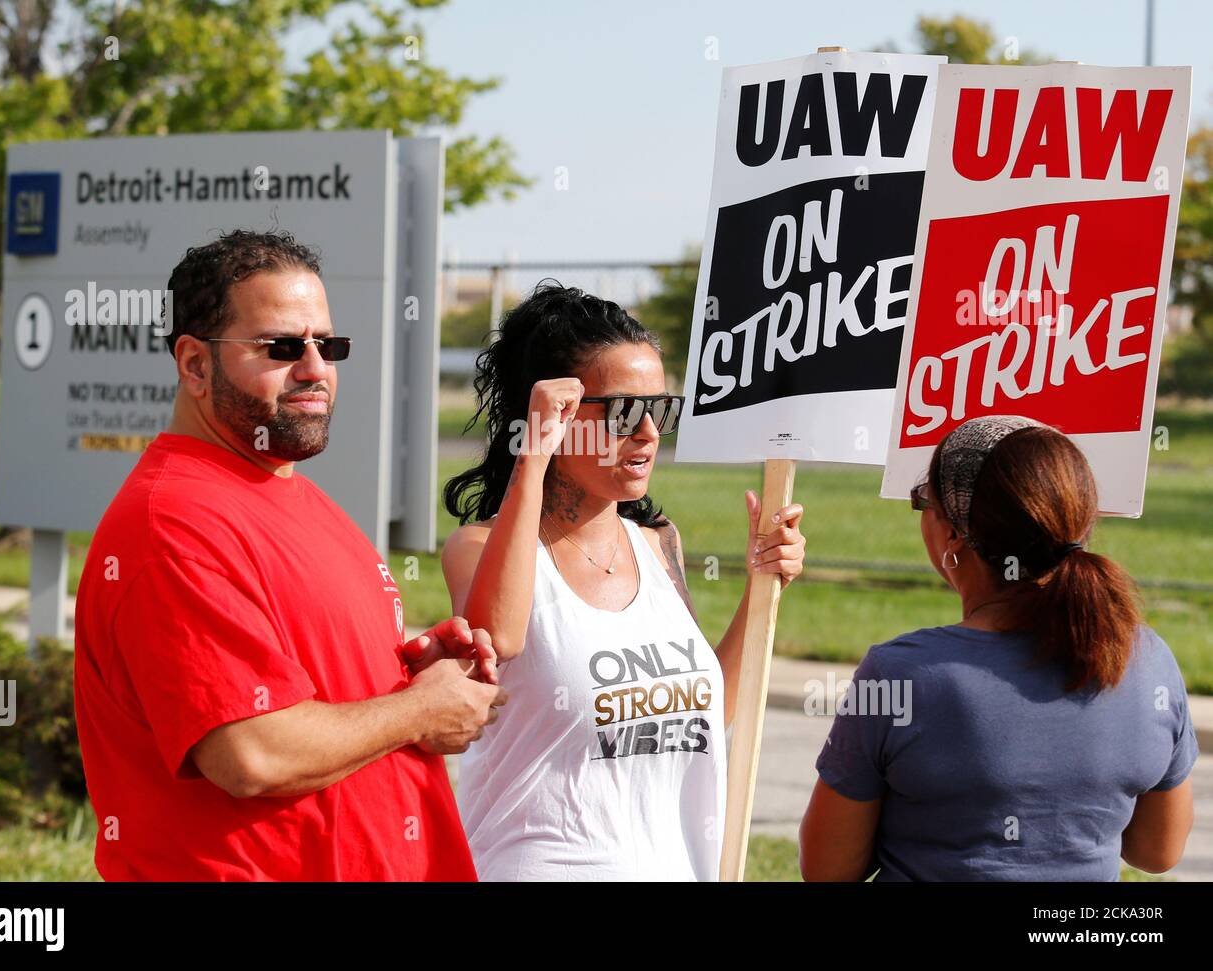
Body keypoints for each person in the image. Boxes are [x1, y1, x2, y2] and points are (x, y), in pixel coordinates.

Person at [73, 229, 505, 881]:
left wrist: (409, 673)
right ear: (194, 364)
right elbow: (251, 751)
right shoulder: (174, 522)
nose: (314, 368)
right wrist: (420, 709)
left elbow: (313, 691)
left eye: (328, 345)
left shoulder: (296, 496)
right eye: (281, 347)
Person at [440, 282, 806, 880]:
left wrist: (763, 590)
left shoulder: (659, 542)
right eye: (624, 413)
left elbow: (706, 716)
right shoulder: (478, 548)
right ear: (551, 417)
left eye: (660, 410)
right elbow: (495, 639)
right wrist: (532, 454)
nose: (649, 434)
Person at [799, 415, 1197, 881]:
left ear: (951, 534)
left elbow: (828, 870)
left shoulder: (899, 674)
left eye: (923, 501)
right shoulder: (1148, 660)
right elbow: (1157, 851)